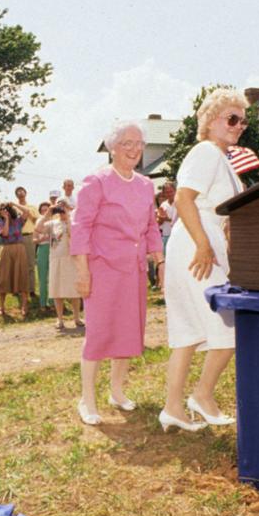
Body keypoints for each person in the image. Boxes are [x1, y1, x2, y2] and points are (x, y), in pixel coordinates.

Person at [161, 88, 246, 433]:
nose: (239, 125)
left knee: (189, 333)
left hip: (201, 241)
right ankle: (202, 396)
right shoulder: (207, 152)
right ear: (211, 121)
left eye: (242, 120)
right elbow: (183, 199)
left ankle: (173, 408)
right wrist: (203, 245)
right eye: (232, 118)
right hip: (196, 243)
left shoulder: (221, 158)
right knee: (228, 328)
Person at [71, 120, 163, 424]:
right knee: (99, 333)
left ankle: (117, 391)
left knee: (127, 331)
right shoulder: (96, 181)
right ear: (112, 148)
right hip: (102, 269)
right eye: (127, 143)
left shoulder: (146, 184)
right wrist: (82, 271)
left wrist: (159, 261)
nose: (134, 149)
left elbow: (151, 227)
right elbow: (81, 227)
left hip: (134, 270)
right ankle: (87, 400)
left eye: (139, 144)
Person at [49, 203, 83, 331]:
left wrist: (69, 215)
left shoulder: (74, 222)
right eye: (60, 208)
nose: (62, 211)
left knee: (74, 289)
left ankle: (77, 318)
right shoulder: (52, 223)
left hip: (71, 258)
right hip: (56, 259)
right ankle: (60, 319)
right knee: (57, 290)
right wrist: (50, 212)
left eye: (64, 208)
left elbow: (73, 234)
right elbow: (38, 228)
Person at [0, 201, 32, 317]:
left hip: (20, 250)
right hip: (6, 250)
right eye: (2, 210)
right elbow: (5, 234)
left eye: (6, 210)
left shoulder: (18, 222)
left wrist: (14, 204)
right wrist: (6, 219)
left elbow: (27, 211)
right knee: (3, 277)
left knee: (22, 276)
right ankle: (1, 307)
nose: (4, 212)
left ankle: (24, 306)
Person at [15, 186, 39, 304]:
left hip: (29, 236)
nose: (20, 193)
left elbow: (35, 220)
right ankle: (19, 289)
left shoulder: (32, 207)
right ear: (16, 195)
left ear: (26, 193)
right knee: (18, 265)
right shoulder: (13, 207)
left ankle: (31, 289)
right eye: (18, 192)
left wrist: (27, 212)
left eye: (22, 191)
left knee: (30, 264)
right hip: (17, 238)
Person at [156, 181, 178, 291]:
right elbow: (159, 223)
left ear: (175, 191)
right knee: (166, 261)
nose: (169, 193)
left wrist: (166, 218)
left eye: (171, 191)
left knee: (176, 261)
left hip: (177, 237)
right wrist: (160, 218)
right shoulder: (163, 205)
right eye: (167, 192)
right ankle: (167, 284)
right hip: (165, 236)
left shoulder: (179, 202)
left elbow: (179, 220)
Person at [33, 201, 53, 309]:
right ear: (40, 211)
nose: (45, 211)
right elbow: (34, 239)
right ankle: (42, 303)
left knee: (53, 277)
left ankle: (53, 302)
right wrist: (41, 239)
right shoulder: (39, 221)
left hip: (54, 250)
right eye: (43, 210)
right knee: (42, 278)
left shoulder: (55, 220)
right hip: (42, 249)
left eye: (47, 209)